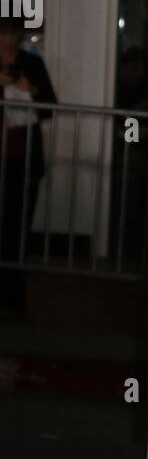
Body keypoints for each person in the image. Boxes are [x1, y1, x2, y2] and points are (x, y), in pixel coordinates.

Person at [0, 17, 57, 317]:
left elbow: (50, 105)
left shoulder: (31, 64)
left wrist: (30, 89)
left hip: (23, 161)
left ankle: (14, 298)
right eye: (3, 33)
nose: (7, 39)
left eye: (12, 33)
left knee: (17, 230)